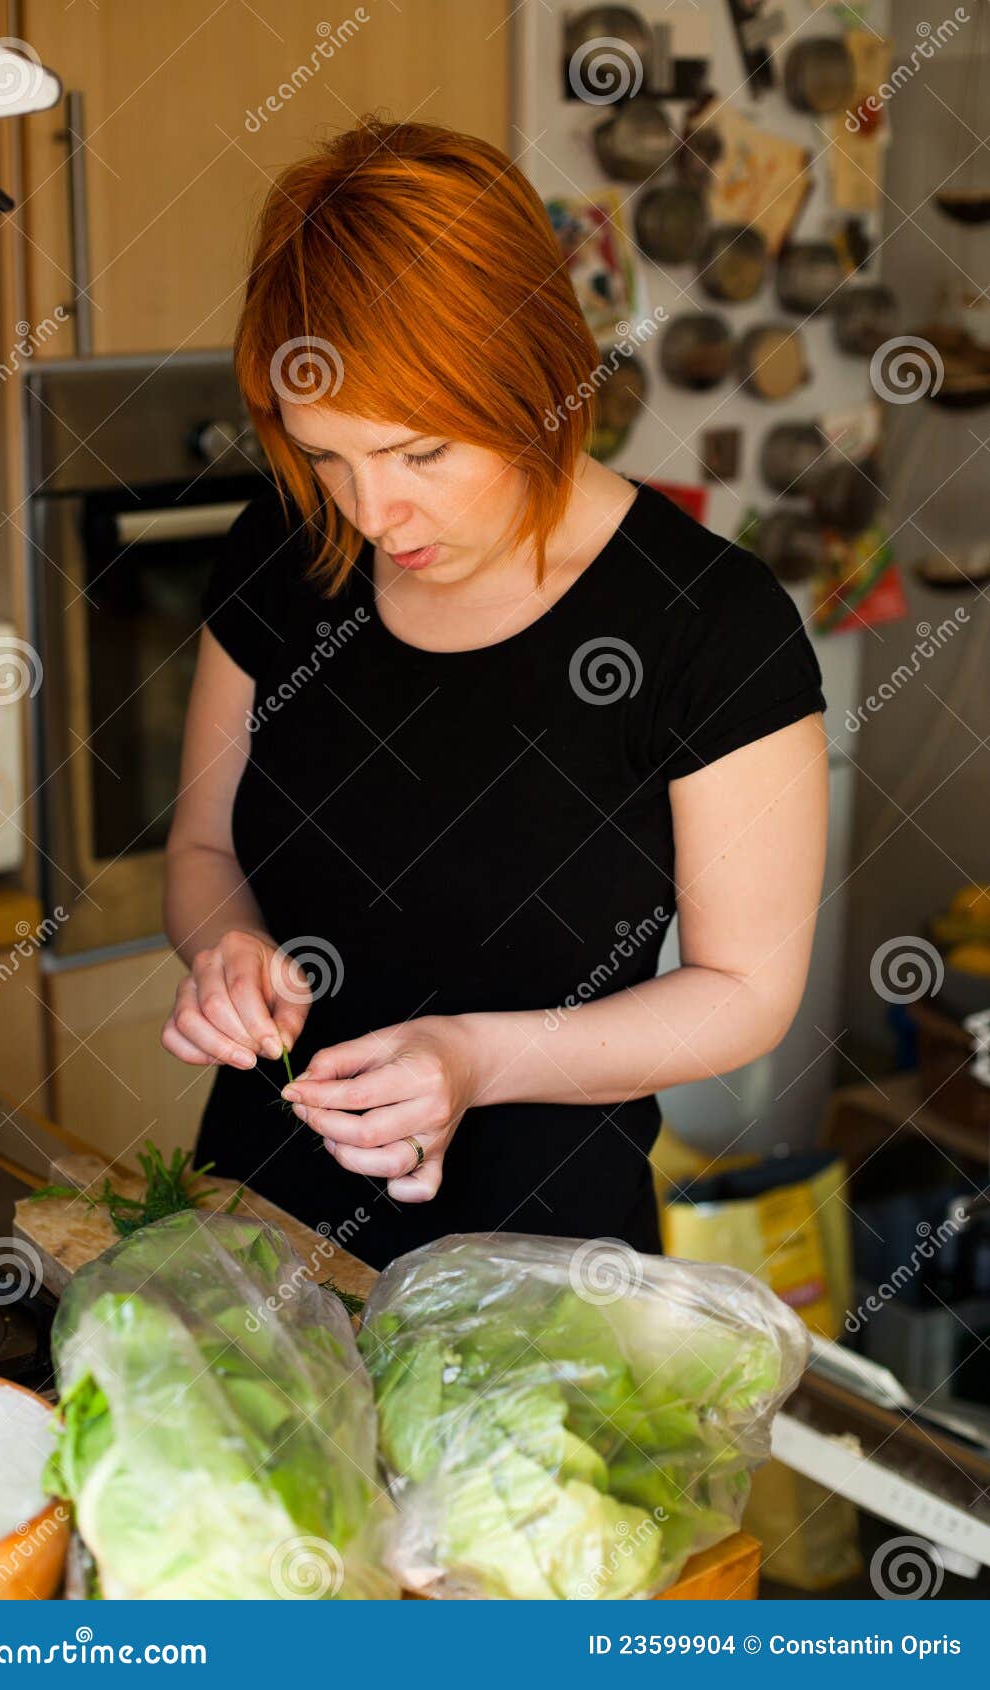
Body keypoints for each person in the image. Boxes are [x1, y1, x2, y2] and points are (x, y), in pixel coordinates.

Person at [162, 116, 829, 1272]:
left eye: (419, 453)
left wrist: (472, 1060)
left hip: (539, 1278)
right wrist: (228, 952)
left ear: (536, 379)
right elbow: (204, 851)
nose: (373, 514)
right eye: (326, 456)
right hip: (252, 1235)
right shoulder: (283, 549)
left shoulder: (707, 624)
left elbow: (743, 992)